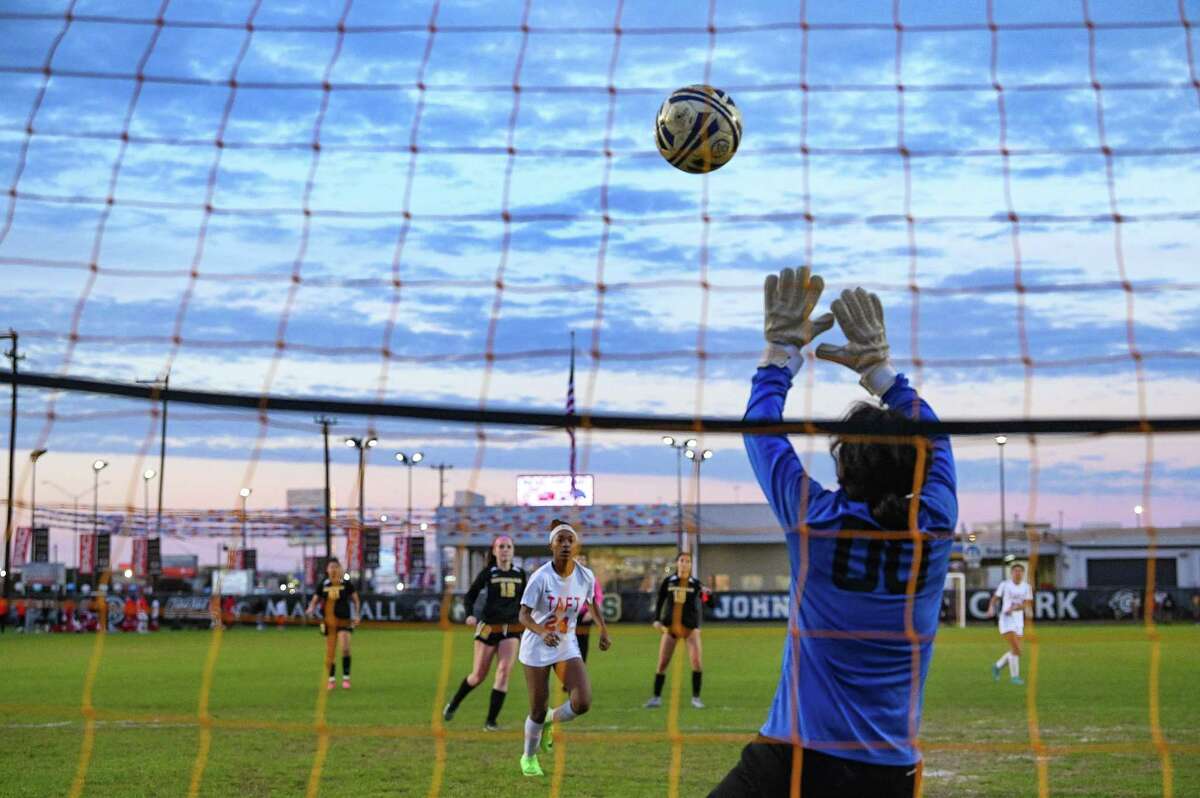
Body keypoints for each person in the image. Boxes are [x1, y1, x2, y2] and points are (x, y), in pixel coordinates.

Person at [711, 269, 957, 797]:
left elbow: (762, 432)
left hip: (793, 758)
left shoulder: (813, 521)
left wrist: (780, 352)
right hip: (889, 772)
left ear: (843, 466)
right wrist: (882, 372)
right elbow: (938, 441)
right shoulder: (934, 527)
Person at [516, 520, 612, 777]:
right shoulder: (541, 577)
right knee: (536, 708)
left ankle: (551, 720)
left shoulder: (585, 575)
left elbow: (591, 602)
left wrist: (603, 629)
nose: (566, 545)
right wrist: (542, 631)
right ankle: (528, 757)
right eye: (561, 540)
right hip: (536, 645)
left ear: (576, 545)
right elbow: (523, 616)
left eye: (571, 540)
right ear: (551, 546)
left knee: (583, 702)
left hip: (565, 643)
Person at [443, 535, 527, 730]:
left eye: (508, 546)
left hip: (511, 628)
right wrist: (470, 615)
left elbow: (527, 601)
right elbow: (470, 596)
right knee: (478, 675)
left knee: (504, 672)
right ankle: (454, 703)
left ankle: (490, 722)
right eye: (501, 547)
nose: (505, 550)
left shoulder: (520, 574)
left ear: (513, 551)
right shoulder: (488, 573)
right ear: (495, 551)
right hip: (489, 628)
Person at [644, 551, 713, 709]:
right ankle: (656, 698)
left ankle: (696, 698)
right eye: (682, 560)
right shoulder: (669, 581)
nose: (684, 563)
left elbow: (709, 603)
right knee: (662, 663)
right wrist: (656, 619)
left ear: (690, 564)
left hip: (690, 627)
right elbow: (660, 601)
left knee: (696, 662)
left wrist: (709, 595)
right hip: (671, 627)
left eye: (687, 561)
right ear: (677, 563)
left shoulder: (695, 583)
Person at [306, 558, 360, 690]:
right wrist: (311, 608)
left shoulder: (346, 584)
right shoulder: (323, 585)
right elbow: (315, 600)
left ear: (340, 569)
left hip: (344, 620)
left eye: (336, 567)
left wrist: (357, 615)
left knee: (345, 648)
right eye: (331, 567)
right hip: (328, 622)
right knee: (330, 651)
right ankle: (331, 680)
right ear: (327, 569)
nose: (334, 569)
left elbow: (356, 600)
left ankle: (346, 678)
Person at [988, 563, 1032, 685]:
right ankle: (1015, 677)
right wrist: (990, 607)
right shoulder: (1005, 585)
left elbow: (1027, 603)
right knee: (1016, 649)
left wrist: (1017, 608)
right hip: (1006, 619)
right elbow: (995, 598)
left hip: (1019, 620)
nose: (1018, 573)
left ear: (1023, 573)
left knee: (1016, 650)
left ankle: (997, 666)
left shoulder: (1027, 587)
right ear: (1011, 573)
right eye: (1015, 571)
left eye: (1020, 571)